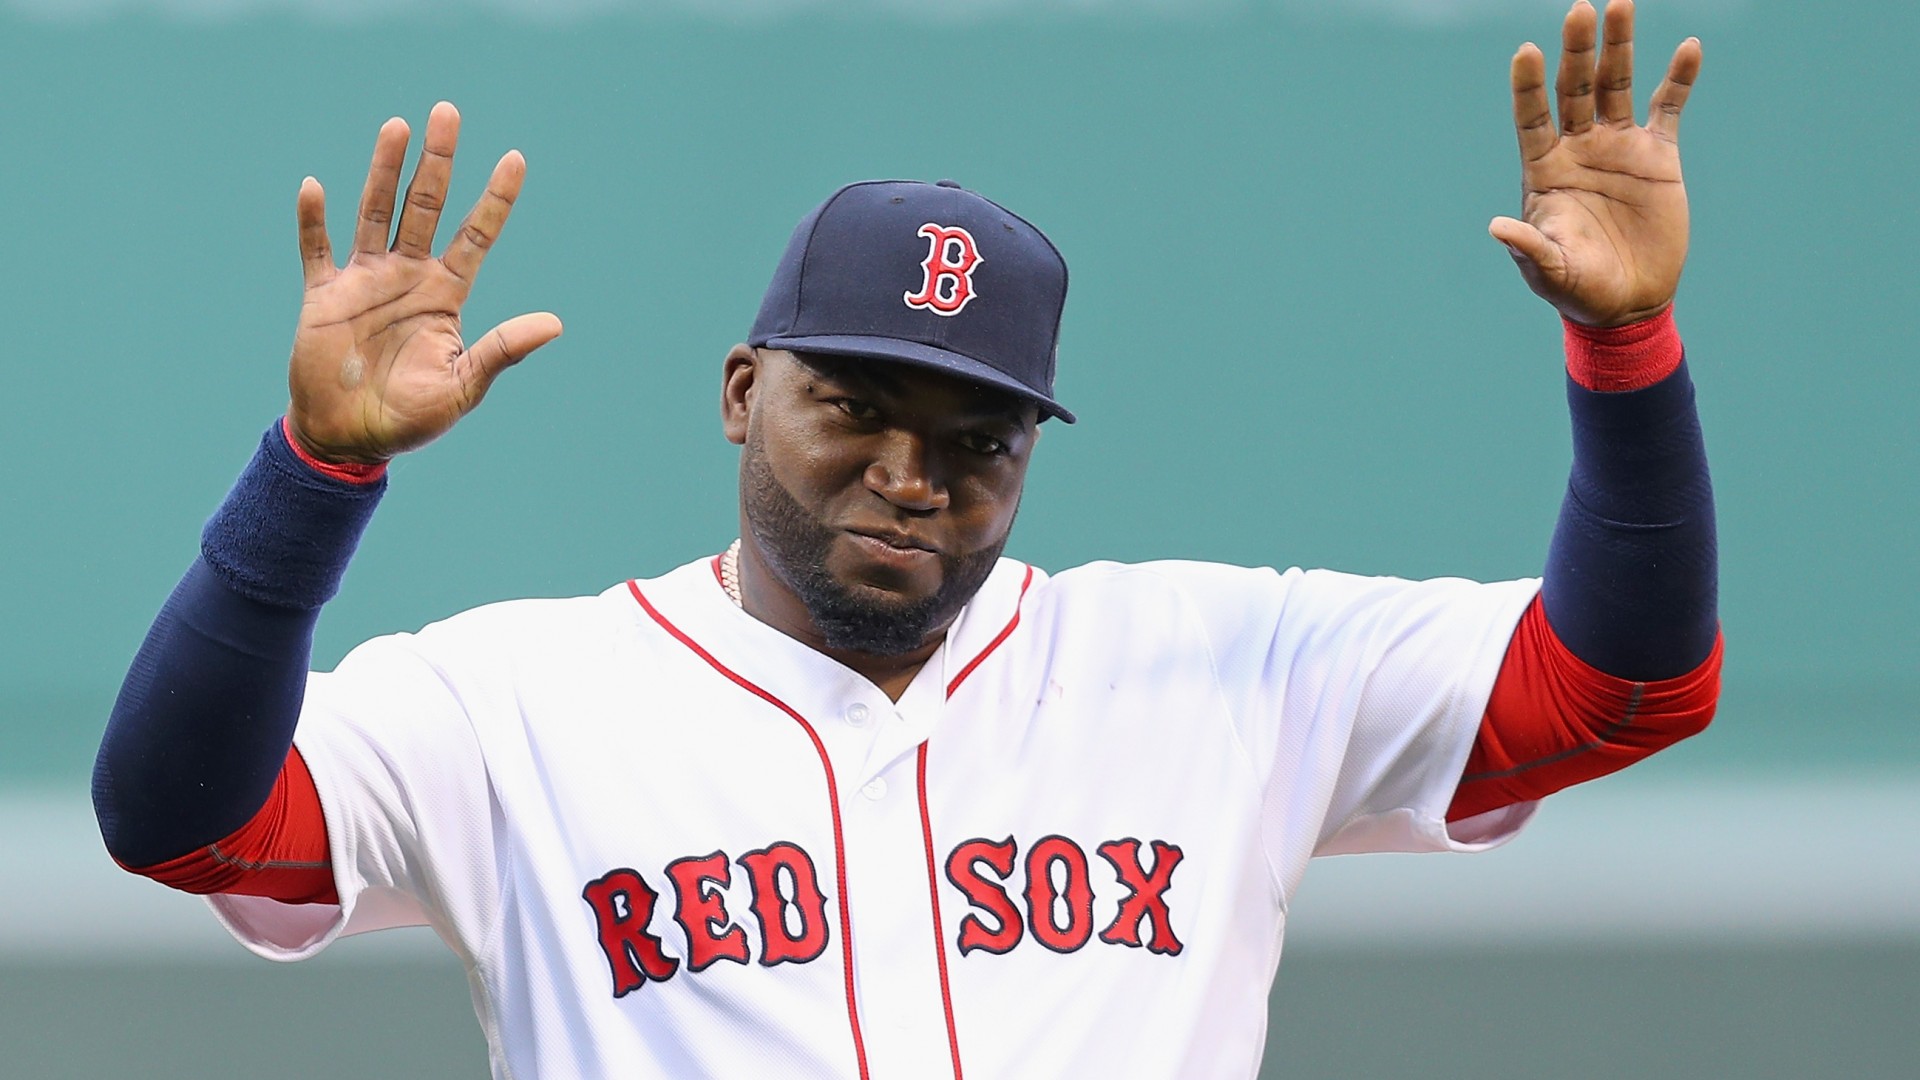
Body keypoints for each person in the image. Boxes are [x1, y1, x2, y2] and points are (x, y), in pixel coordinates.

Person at [93, 2, 1720, 1076]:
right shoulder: (513, 702)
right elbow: (183, 819)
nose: (907, 472)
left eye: (973, 436)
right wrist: (316, 470)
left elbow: (1626, 684)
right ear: (742, 393)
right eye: (852, 406)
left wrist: (1628, 349)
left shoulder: (1224, 665)